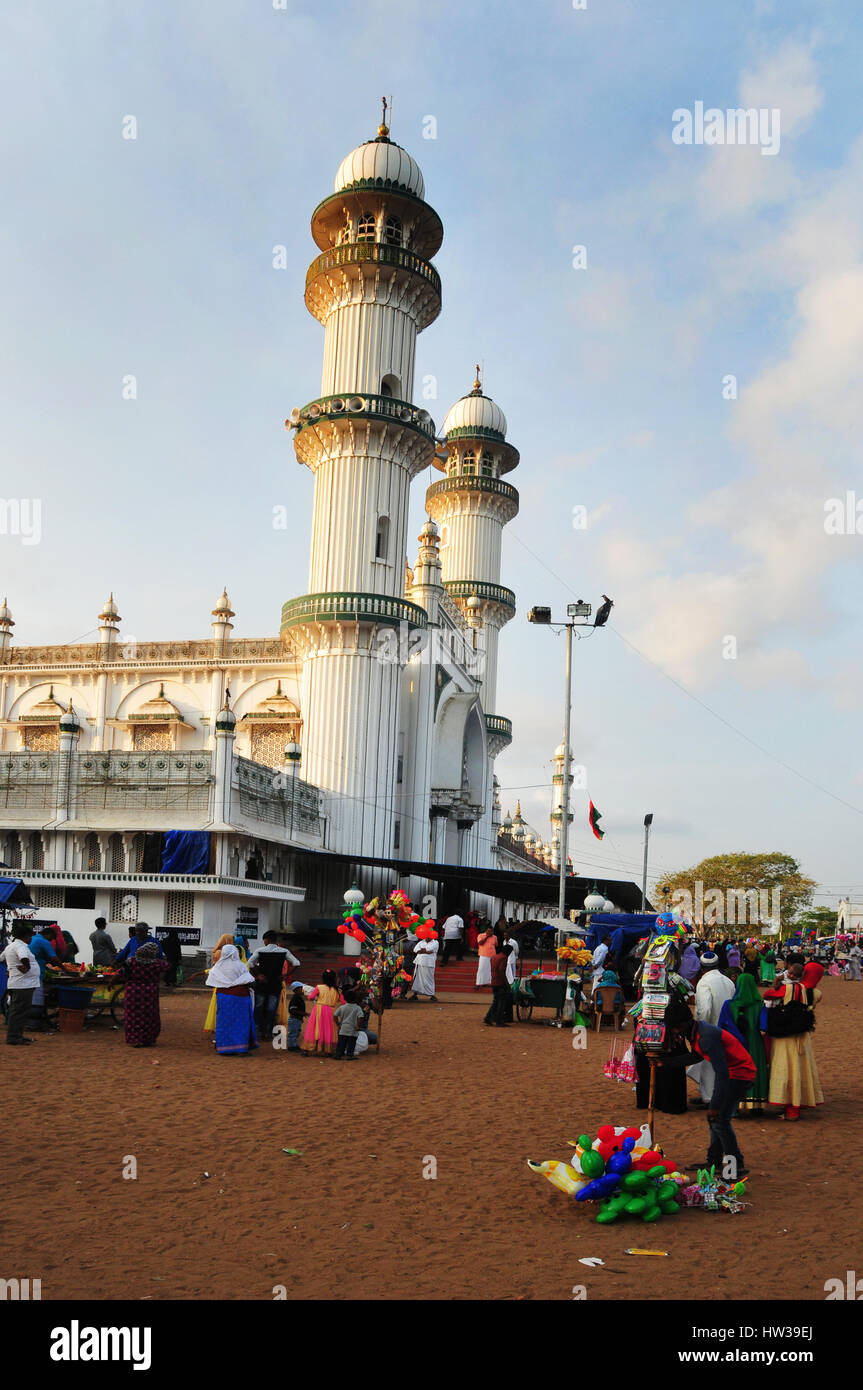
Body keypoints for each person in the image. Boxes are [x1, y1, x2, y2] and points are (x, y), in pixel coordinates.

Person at [673, 1004, 755, 1177]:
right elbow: (696, 1056)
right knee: (716, 1120)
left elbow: (723, 1073)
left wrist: (715, 1104)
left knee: (720, 1121)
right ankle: (714, 1162)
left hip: (740, 1074)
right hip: (733, 1074)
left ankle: (736, 1167)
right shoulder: (695, 1032)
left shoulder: (706, 1036)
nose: (674, 1031)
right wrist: (666, 1062)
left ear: (683, 1024)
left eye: (675, 1027)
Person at [763, 961, 823, 1120]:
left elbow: (768, 995)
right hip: (802, 1035)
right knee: (801, 1068)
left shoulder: (786, 988)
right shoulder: (814, 993)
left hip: (784, 1035)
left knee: (784, 1068)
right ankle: (799, 1102)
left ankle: (788, 1106)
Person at [687, 952, 736, 1104]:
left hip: (710, 1028)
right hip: (727, 1027)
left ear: (702, 968)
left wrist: (701, 1027)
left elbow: (705, 1009)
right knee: (718, 1062)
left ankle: (709, 1097)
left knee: (709, 1063)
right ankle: (710, 1093)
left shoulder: (703, 983)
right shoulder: (728, 981)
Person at [725, 972, 769, 1113]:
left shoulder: (729, 1005)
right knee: (756, 1071)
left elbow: (722, 1026)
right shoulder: (760, 1005)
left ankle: (734, 1108)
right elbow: (764, 1027)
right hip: (755, 1044)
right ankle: (756, 1105)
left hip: (736, 1044)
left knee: (735, 1073)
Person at [247, 931, 301, 1041]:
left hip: (262, 984)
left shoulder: (260, 950)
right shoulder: (283, 951)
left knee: (258, 1007)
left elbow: (250, 963)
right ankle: (268, 1032)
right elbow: (296, 963)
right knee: (272, 1009)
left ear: (266, 940)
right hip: (275, 984)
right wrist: (286, 975)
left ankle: (257, 1031)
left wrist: (258, 975)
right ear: (276, 940)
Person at [205, 945, 257, 1055]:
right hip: (240, 997)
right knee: (241, 1023)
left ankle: (223, 1047)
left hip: (223, 998)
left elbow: (210, 982)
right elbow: (249, 980)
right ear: (235, 953)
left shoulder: (217, 967)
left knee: (224, 1022)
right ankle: (241, 1049)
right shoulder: (240, 966)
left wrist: (225, 984)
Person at [122, 941, 168, 1048]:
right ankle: (148, 1039)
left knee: (133, 1017)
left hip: (132, 994)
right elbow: (167, 966)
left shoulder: (131, 961)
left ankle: (135, 1040)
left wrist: (111, 983)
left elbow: (120, 973)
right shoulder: (157, 964)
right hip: (149, 995)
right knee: (149, 1017)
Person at [2, 924, 40, 1046]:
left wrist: (11, 967)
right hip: (23, 984)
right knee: (19, 1011)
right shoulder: (20, 946)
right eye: (30, 937)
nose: (31, 939)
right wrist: (27, 967)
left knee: (18, 1011)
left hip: (19, 983)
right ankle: (14, 1037)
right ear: (25, 936)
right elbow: (23, 957)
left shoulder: (10, 946)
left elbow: (2, 958)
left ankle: (17, 1035)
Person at [301, 969, 340, 1055]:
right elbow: (344, 1001)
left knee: (315, 1028)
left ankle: (308, 1049)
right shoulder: (337, 990)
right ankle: (327, 1050)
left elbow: (310, 997)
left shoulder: (319, 987)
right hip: (331, 1010)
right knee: (328, 1029)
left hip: (319, 1009)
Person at [484, 943, 511, 1027]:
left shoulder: (494, 957)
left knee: (496, 1001)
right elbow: (501, 970)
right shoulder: (504, 958)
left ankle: (488, 1018)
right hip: (500, 982)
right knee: (501, 1002)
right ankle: (499, 1021)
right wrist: (506, 983)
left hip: (494, 981)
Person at [405, 934, 438, 1001]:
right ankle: (415, 994)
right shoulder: (421, 942)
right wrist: (425, 951)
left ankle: (431, 994)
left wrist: (422, 951)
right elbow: (415, 950)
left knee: (429, 978)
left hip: (429, 963)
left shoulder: (435, 942)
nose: (427, 937)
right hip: (419, 962)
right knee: (417, 978)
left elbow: (429, 949)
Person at [334, 992, 365, 1059]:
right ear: (355, 999)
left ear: (345, 999)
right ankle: (349, 1055)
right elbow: (361, 1017)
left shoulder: (342, 1007)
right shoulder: (357, 1008)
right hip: (352, 1029)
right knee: (351, 1043)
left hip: (343, 1029)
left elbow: (335, 1015)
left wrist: (338, 1024)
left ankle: (339, 1054)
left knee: (341, 1043)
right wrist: (358, 1025)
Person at [287, 982, 306, 1052]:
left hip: (297, 1019)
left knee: (296, 1032)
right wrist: (304, 1013)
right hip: (294, 1019)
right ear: (296, 990)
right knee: (293, 1033)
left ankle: (293, 1044)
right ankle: (291, 1046)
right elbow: (292, 1010)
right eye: (301, 989)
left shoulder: (298, 998)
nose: (303, 990)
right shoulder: (295, 999)